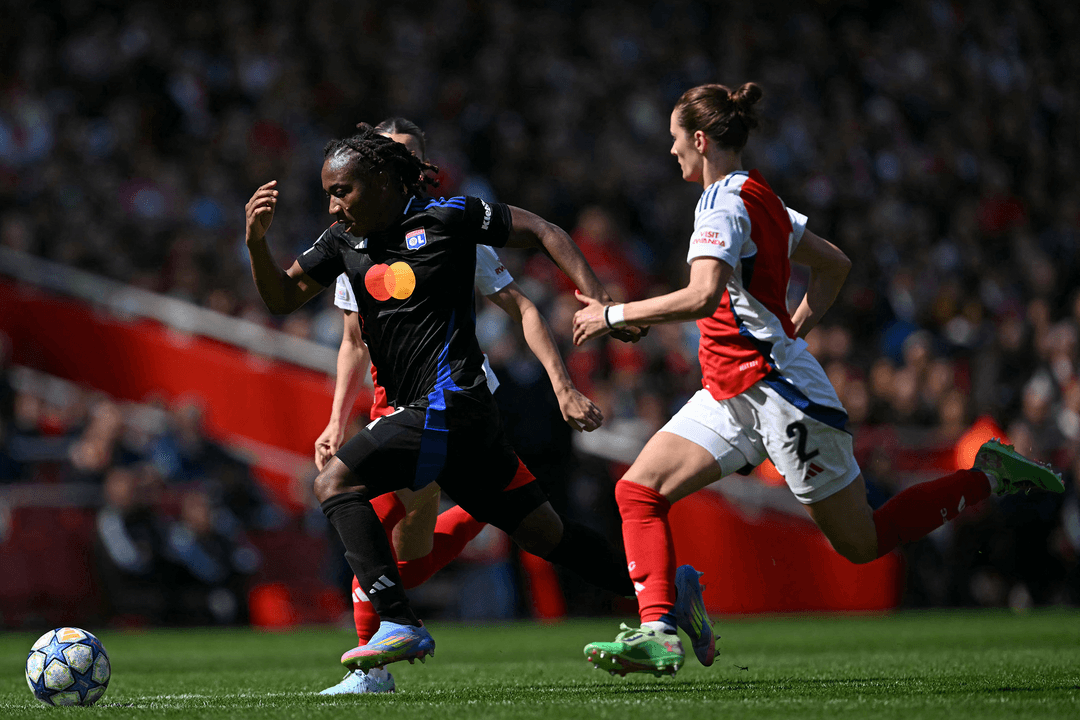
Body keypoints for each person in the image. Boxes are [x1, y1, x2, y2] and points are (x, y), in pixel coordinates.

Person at [573, 82, 1065, 677]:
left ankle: (985, 474)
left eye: (675, 139)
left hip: (781, 397)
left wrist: (613, 315)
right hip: (732, 392)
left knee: (861, 543)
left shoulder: (723, 204)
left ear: (699, 140)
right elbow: (835, 266)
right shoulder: (760, 197)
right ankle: (661, 630)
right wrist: (794, 326)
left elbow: (704, 296)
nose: (671, 151)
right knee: (638, 491)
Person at [243, 123, 652, 677]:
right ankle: (667, 597)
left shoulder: (449, 218)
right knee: (549, 537)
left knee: (336, 483)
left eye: (343, 191)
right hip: (452, 424)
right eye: (328, 194)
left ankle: (395, 622)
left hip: (450, 404)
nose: (334, 206)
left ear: (384, 180)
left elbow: (544, 231)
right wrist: (257, 244)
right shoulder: (343, 242)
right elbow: (281, 297)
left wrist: (597, 298)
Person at [315, 118, 603, 695]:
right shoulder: (355, 242)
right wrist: (335, 417)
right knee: (404, 545)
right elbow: (352, 340)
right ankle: (471, 525)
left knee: (367, 521)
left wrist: (562, 385)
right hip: (390, 404)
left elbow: (520, 305)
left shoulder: (448, 225)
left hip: (450, 402)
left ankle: (382, 657)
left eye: (410, 157)